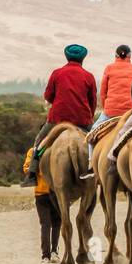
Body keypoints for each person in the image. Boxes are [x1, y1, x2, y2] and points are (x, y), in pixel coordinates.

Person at [22, 44, 98, 185]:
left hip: (57, 119)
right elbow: (93, 101)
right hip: (82, 119)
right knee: (97, 142)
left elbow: (48, 96)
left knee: (39, 141)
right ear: (83, 58)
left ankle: (32, 174)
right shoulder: (89, 76)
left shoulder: (57, 73)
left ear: (66, 57)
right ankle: (99, 173)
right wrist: (89, 117)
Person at [22, 143, 62, 261]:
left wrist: (38, 170)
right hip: (49, 192)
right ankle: (50, 253)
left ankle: (48, 254)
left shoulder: (33, 151)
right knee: (51, 224)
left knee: (51, 224)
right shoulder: (56, 149)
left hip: (44, 192)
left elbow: (26, 168)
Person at [94, 44, 132, 126]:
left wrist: (106, 109)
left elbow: (103, 93)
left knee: (93, 131)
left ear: (115, 55)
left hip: (111, 112)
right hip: (130, 112)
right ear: (129, 56)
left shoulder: (109, 68)